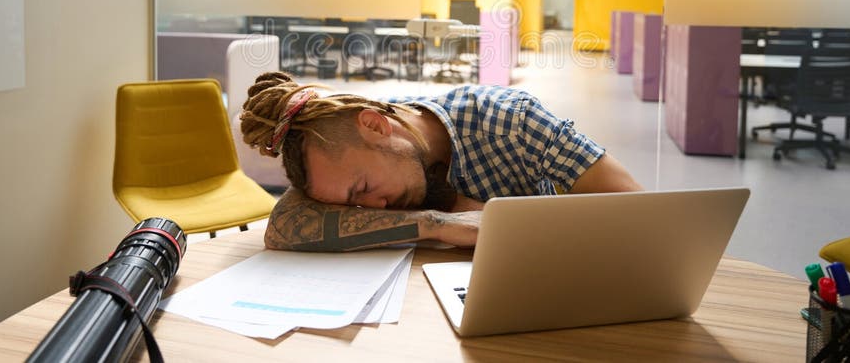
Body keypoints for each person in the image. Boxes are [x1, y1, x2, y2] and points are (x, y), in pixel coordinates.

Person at [240, 71, 642, 253]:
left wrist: (509, 224)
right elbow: (281, 228)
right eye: (352, 203)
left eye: (362, 190)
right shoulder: (341, 161)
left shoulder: (511, 121)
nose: (372, 206)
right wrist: (443, 224)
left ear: (375, 126)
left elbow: (640, 210)